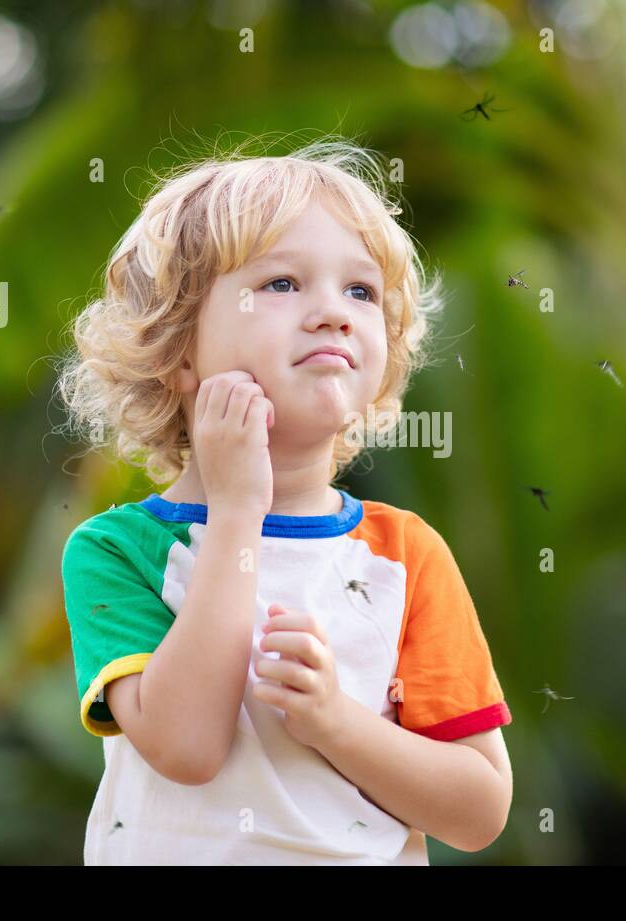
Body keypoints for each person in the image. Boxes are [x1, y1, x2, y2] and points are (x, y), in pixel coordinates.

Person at [57, 136, 512, 864]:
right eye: (282, 284)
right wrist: (238, 511)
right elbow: (186, 747)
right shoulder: (116, 553)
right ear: (178, 350)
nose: (334, 312)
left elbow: (479, 810)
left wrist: (335, 722)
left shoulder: (407, 556)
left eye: (360, 291)